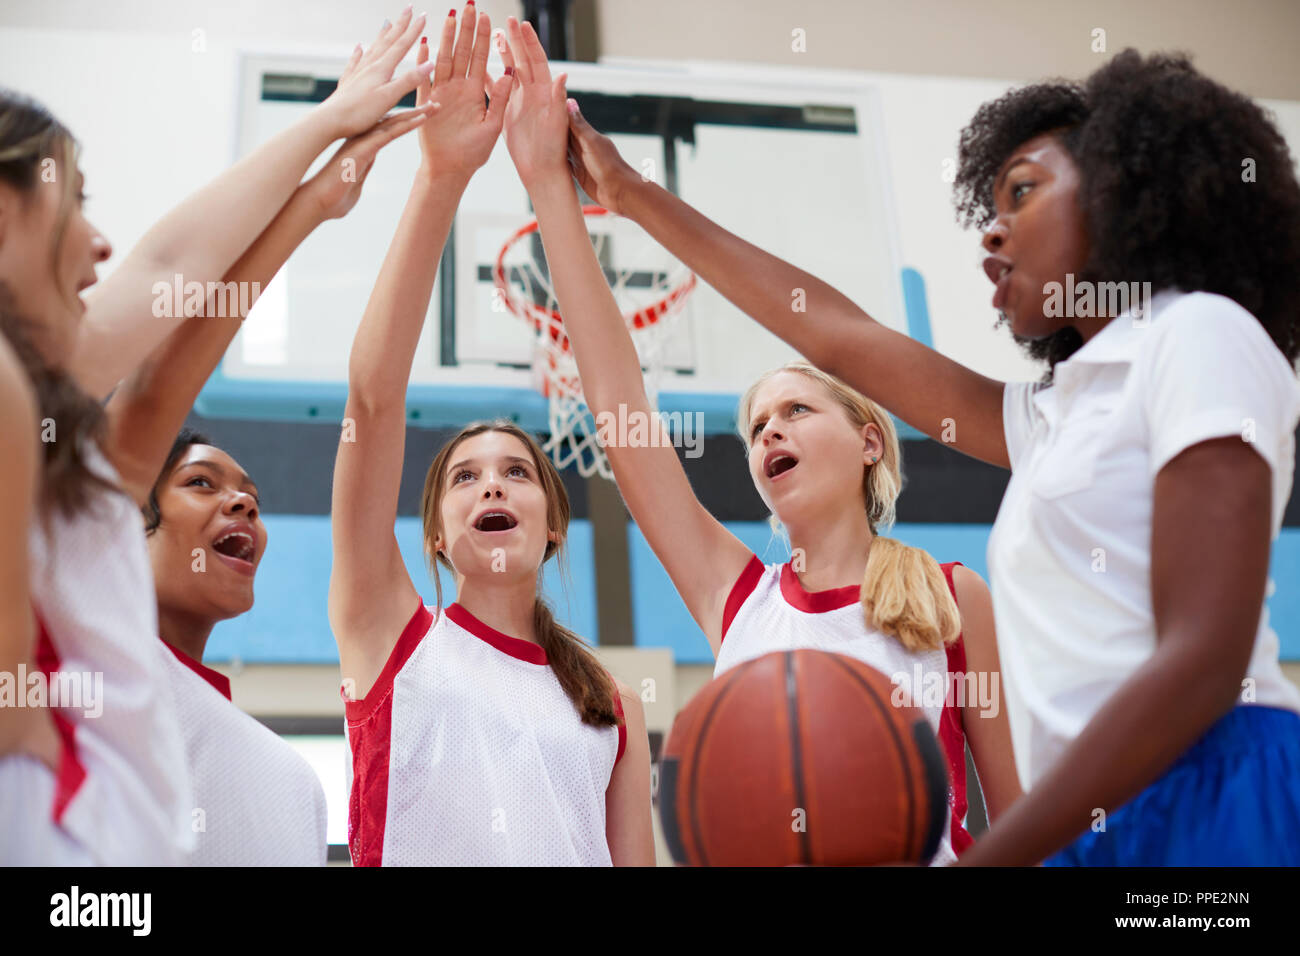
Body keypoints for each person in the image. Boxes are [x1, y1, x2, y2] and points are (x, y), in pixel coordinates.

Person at [562, 49, 1300, 865]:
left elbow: (1206, 655)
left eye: (1022, 190)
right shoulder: (1052, 417)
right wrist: (629, 195)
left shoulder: (1199, 333)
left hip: (1212, 784)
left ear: (1126, 189)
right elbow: (833, 332)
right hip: (1099, 817)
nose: (992, 227)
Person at [496, 16, 1020, 864]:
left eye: (797, 411)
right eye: (755, 426)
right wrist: (554, 196)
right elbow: (622, 416)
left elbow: (1019, 820)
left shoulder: (954, 596)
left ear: (870, 442)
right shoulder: (737, 598)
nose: (768, 428)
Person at [0, 7, 434, 864]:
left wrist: (315, 183)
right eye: (74, 199)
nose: (99, 243)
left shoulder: (50, 417)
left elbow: (166, 303)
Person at [328, 6, 655, 866]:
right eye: (464, 478)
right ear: (435, 531)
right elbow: (371, 402)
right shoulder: (390, 634)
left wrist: (553, 183)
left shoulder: (612, 701)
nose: (492, 486)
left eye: (515, 471)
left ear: (554, 522)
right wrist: (440, 176)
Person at [127, 120, 417, 865]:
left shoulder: (291, 783)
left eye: (250, 494)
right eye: (202, 483)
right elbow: (162, 362)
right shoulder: (69, 663)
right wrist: (315, 199)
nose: (243, 504)